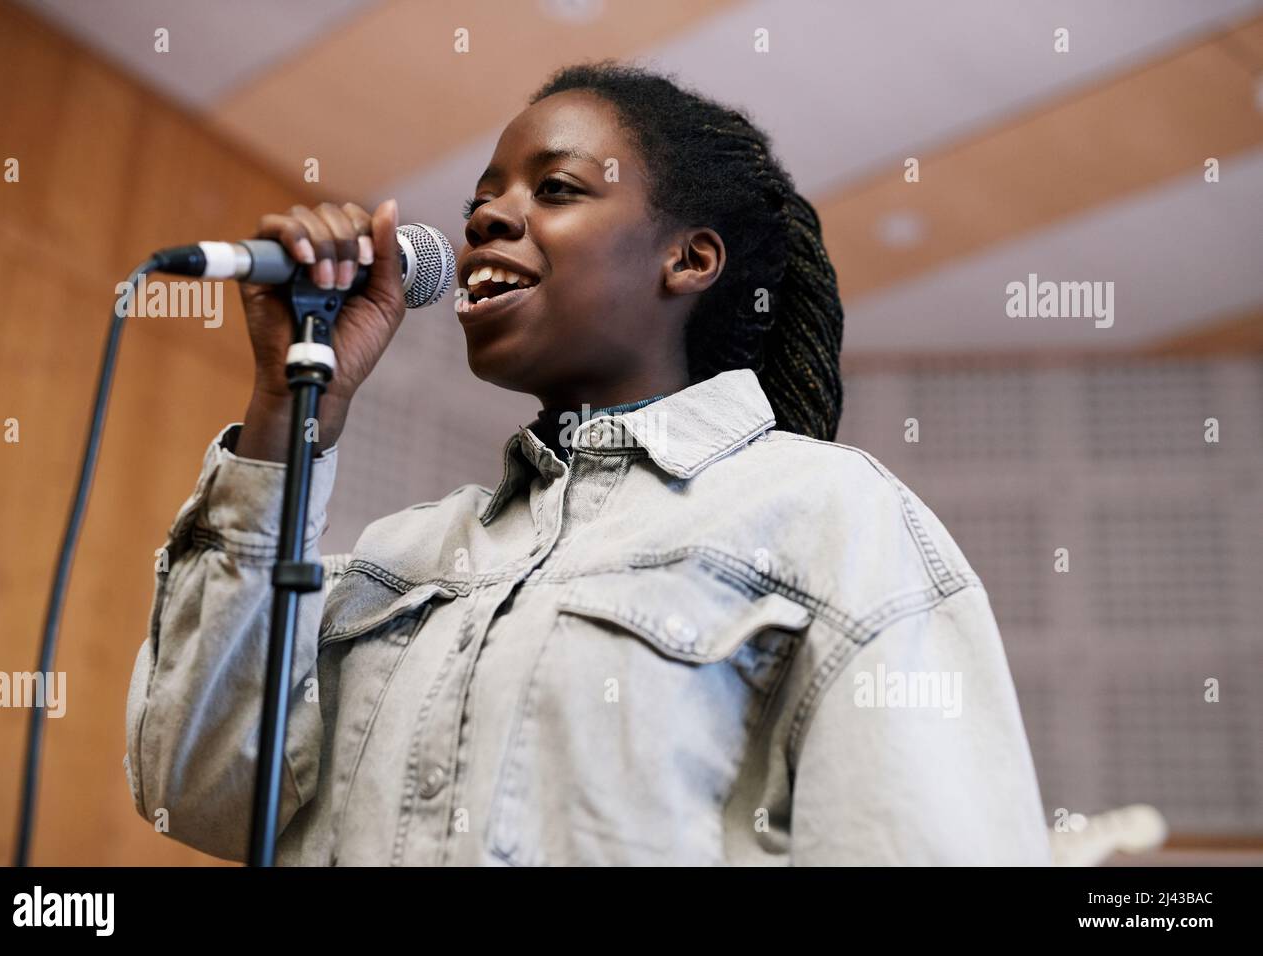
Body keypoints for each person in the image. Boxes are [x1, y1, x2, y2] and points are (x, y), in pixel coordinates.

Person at [124, 60, 1050, 866]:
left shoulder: (828, 514)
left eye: (554, 189)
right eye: (479, 199)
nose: (488, 215)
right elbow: (200, 791)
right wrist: (289, 414)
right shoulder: (398, 555)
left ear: (689, 259)